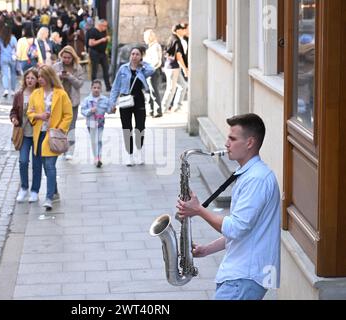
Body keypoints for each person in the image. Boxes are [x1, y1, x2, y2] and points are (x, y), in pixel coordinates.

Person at [176, 113, 281, 300]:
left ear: (250, 142)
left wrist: (198, 210)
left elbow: (236, 228)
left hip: (244, 277)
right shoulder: (249, 175)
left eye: (232, 139)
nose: (226, 144)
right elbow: (245, 230)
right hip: (243, 275)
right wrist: (206, 249)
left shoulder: (256, 179)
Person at [27, 65, 72, 210]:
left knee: (50, 165)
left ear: (50, 76)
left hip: (53, 135)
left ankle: (48, 197)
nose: (40, 79)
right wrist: (38, 116)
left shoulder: (61, 94)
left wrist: (60, 129)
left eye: (42, 76)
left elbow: (68, 114)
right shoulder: (36, 94)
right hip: (39, 134)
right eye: (38, 76)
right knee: (46, 166)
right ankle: (55, 191)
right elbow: (30, 112)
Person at [110, 47, 154, 167]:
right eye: (132, 54)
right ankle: (129, 155)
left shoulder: (143, 70)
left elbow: (152, 70)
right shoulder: (123, 69)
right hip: (125, 100)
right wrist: (112, 103)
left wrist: (142, 63)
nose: (134, 56)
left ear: (141, 56)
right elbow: (115, 87)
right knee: (127, 128)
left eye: (137, 54)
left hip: (139, 100)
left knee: (140, 127)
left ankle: (139, 153)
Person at [10, 68, 41, 202]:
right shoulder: (19, 94)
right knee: (23, 161)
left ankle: (35, 190)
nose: (30, 80)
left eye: (32, 78)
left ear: (37, 80)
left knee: (37, 163)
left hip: (38, 133)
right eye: (28, 78)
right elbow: (13, 111)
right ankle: (24, 188)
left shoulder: (41, 94)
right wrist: (14, 118)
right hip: (23, 133)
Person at [52, 45, 85, 160]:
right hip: (58, 101)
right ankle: (60, 147)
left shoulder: (78, 68)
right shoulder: (56, 66)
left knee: (71, 127)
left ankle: (70, 151)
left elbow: (80, 84)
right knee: (59, 125)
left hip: (72, 102)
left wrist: (70, 77)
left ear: (73, 58)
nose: (66, 59)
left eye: (68, 58)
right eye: (64, 57)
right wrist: (59, 76)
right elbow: (50, 81)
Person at [81, 79, 116, 168]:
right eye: (94, 88)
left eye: (98, 88)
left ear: (101, 89)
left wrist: (112, 110)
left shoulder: (104, 99)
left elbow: (108, 110)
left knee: (99, 140)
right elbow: (83, 111)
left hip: (100, 123)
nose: (96, 89)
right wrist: (90, 110)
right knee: (94, 141)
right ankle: (96, 157)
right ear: (91, 88)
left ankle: (98, 158)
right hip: (91, 123)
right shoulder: (87, 100)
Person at [161, 24, 186, 113]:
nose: (184, 31)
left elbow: (166, 52)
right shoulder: (176, 40)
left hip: (172, 67)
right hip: (173, 67)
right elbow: (178, 56)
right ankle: (163, 108)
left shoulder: (172, 38)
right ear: (178, 30)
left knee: (183, 86)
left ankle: (176, 107)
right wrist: (185, 69)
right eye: (183, 29)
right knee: (171, 88)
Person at [143, 29, 163, 118]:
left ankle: (158, 111)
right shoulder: (151, 46)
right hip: (148, 71)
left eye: (145, 37)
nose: (144, 39)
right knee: (148, 91)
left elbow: (157, 61)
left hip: (153, 72)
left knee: (154, 91)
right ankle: (151, 110)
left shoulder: (155, 46)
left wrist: (150, 69)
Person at [87, 19, 111, 91]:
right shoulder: (93, 31)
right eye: (104, 26)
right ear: (100, 25)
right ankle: (94, 87)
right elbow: (90, 43)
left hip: (102, 53)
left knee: (106, 69)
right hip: (95, 52)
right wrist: (102, 40)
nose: (106, 28)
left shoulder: (103, 31)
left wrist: (107, 39)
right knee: (95, 70)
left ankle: (108, 86)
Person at [0, 25, 18, 97]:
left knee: (5, 74)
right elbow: (16, 48)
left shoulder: (0, 39)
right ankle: (13, 90)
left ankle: (6, 89)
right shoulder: (13, 38)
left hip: (3, 58)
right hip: (12, 58)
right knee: (13, 74)